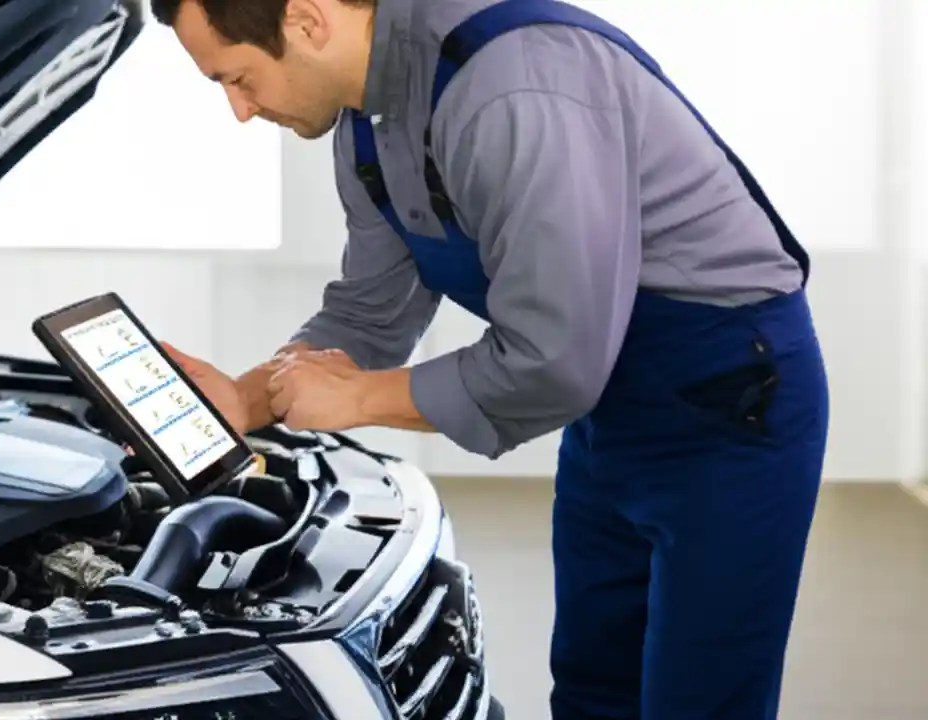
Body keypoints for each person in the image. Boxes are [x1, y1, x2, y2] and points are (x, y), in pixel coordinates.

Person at [151, 0, 830, 717]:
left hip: (728, 395)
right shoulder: (367, 118)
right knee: (594, 683)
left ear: (306, 21)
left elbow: (557, 360)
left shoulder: (510, 85)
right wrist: (244, 401)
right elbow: (370, 310)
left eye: (239, 78)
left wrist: (358, 399)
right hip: (614, 407)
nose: (241, 111)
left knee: (699, 699)